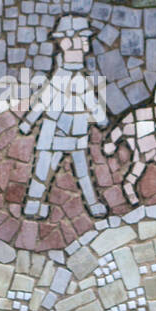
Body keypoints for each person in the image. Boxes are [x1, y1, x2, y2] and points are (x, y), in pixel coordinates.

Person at [18, 15, 109, 219]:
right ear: (66, 42)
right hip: (54, 129)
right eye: (81, 39)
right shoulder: (60, 78)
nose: (85, 45)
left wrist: (100, 117)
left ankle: (92, 203)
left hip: (77, 130)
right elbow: (44, 100)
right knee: (44, 168)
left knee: (82, 169)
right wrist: (28, 121)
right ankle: (33, 204)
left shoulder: (79, 78)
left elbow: (91, 101)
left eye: (86, 39)